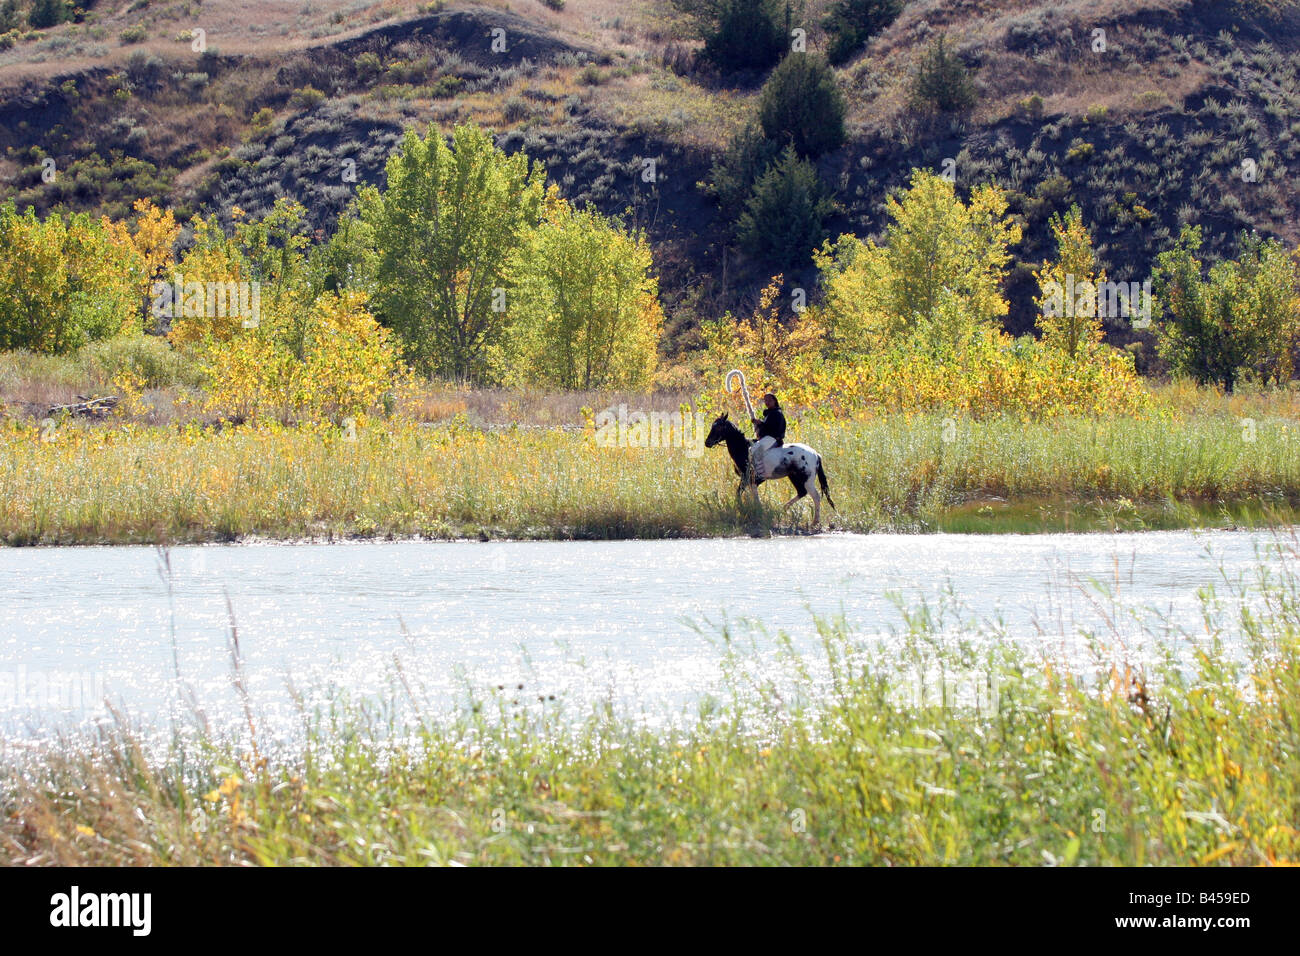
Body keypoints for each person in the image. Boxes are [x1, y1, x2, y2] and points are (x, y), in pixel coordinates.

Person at [748, 392, 786, 480]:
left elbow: (772, 429)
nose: (767, 402)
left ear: (774, 401)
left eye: (769, 400)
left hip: (772, 438)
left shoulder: (776, 413)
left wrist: (760, 423)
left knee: (754, 450)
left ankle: (759, 473)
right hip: (769, 438)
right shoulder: (771, 413)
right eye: (765, 400)